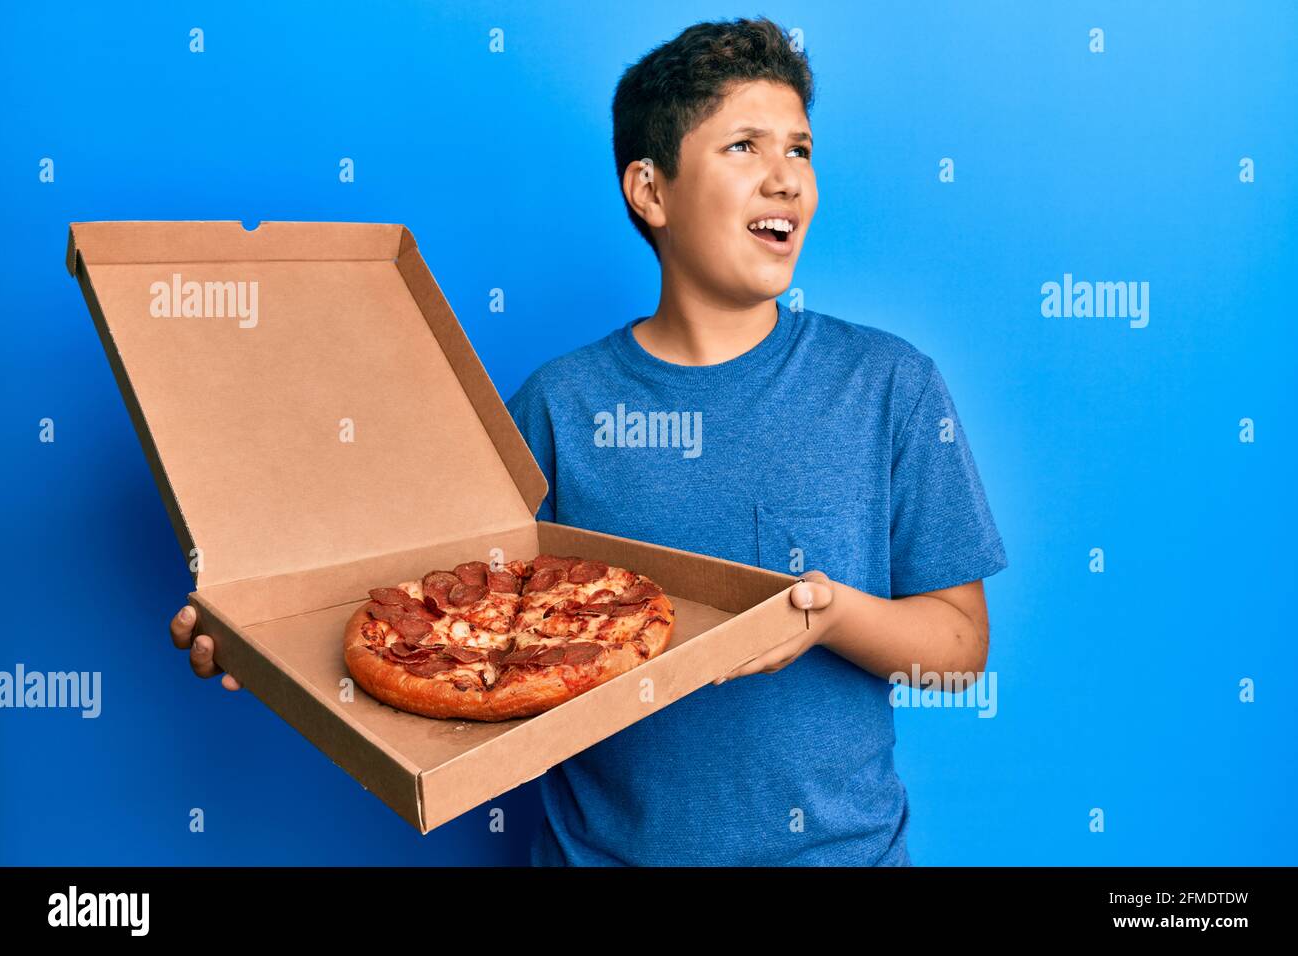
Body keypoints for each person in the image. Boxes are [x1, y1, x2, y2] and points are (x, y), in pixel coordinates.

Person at [171, 16, 1007, 866]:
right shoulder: (556, 405)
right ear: (650, 191)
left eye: (800, 149)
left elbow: (962, 647)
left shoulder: (890, 384)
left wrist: (829, 613)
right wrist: (275, 649)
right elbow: (432, 613)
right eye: (746, 147)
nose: (787, 180)